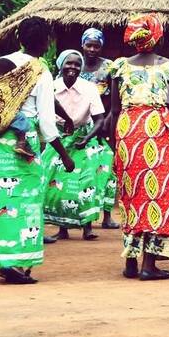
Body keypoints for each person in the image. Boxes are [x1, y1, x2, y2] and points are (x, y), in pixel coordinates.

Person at [0, 17, 75, 284]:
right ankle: (17, 264)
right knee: (26, 202)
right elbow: (46, 121)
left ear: (20, 38)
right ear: (46, 43)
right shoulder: (40, 71)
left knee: (2, 200)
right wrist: (64, 155)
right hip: (25, 145)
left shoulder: (2, 63)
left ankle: (4, 261)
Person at [104, 13, 169, 280]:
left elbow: (113, 111)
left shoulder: (119, 67)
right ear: (159, 35)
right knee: (156, 193)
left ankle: (131, 263)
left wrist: (114, 145)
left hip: (127, 130)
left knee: (131, 194)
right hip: (155, 130)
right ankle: (148, 265)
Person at [44, 49, 105, 242]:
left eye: (77, 64)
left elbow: (99, 119)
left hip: (83, 138)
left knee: (86, 181)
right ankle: (63, 228)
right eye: (68, 63)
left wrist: (87, 138)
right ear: (60, 65)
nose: (73, 67)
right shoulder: (50, 88)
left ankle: (87, 227)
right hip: (57, 139)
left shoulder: (89, 88)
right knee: (57, 183)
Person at [78, 27, 117, 230]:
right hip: (81, 124)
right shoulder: (76, 64)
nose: (92, 49)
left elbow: (113, 99)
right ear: (82, 45)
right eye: (89, 45)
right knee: (85, 171)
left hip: (105, 124)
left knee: (107, 169)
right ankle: (81, 217)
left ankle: (107, 215)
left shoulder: (108, 68)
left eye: (96, 45)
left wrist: (109, 121)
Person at [0, 58, 39, 158]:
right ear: (8, 73)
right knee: (21, 117)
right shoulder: (5, 84)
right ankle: (21, 142)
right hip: (1, 114)